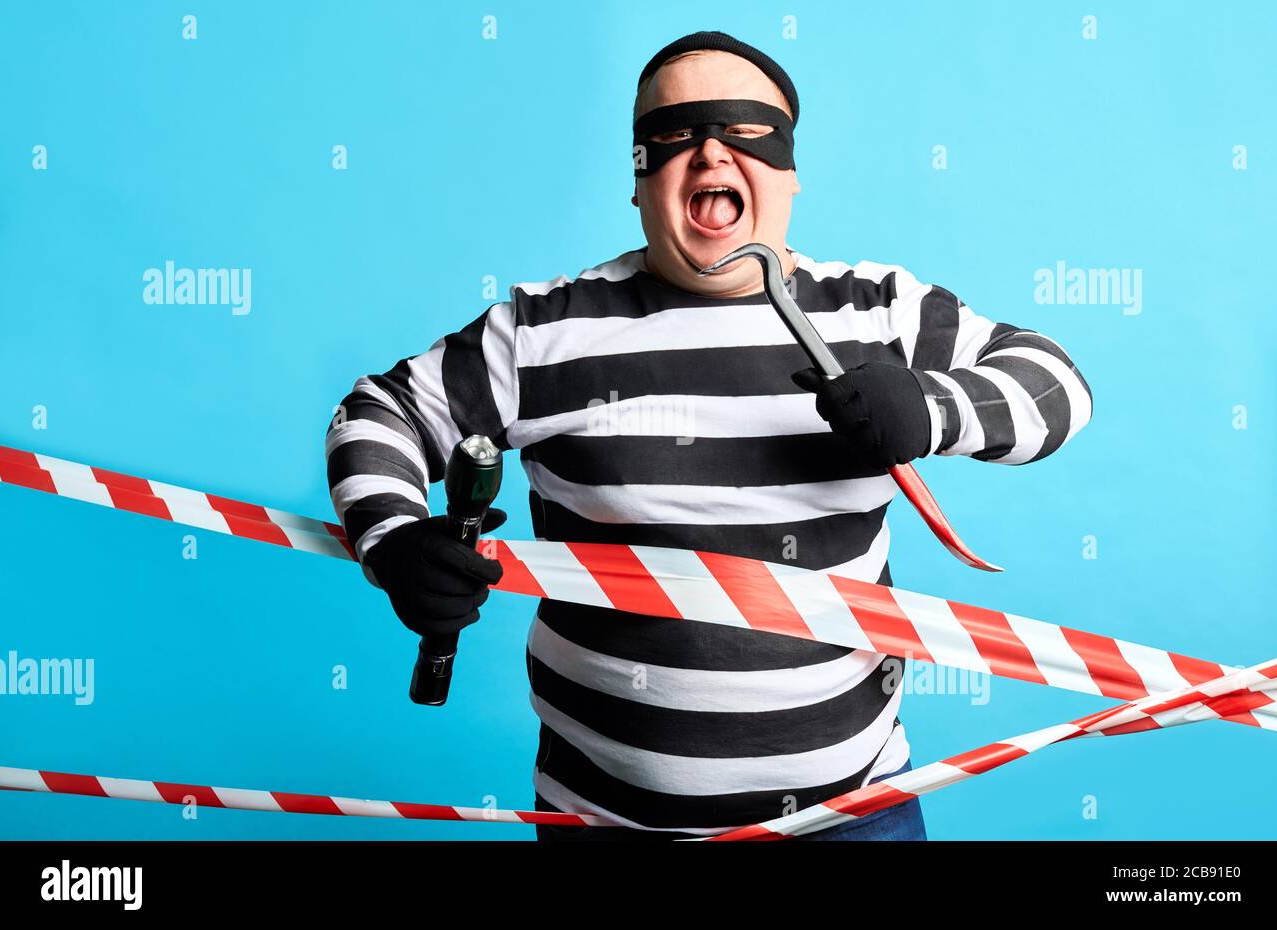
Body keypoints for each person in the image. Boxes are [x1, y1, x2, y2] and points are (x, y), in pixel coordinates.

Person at [324, 30, 1093, 841]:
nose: (711, 156)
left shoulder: (880, 313)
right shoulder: (544, 333)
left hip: (854, 814)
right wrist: (396, 539)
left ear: (790, 175)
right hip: (603, 816)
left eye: (747, 133)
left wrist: (933, 409)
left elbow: (1058, 386)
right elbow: (380, 412)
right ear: (638, 180)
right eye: (674, 136)